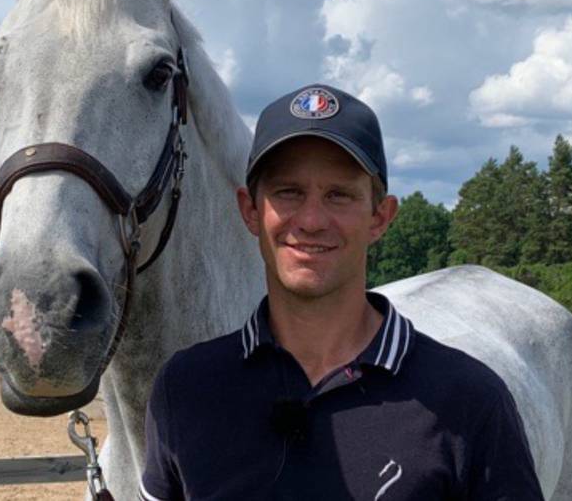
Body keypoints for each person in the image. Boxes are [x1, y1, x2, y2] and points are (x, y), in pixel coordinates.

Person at [139, 84, 544, 500]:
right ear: (251, 211)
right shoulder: (186, 389)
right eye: (288, 192)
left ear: (379, 217)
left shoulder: (468, 399)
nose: (312, 220)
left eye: (339, 195)